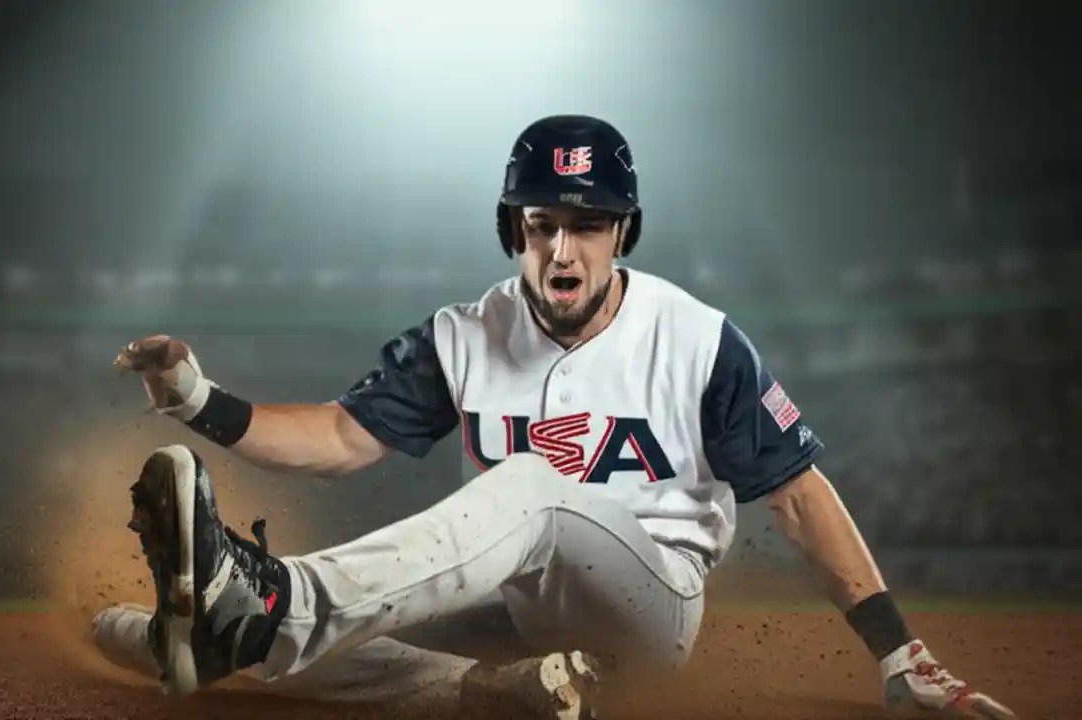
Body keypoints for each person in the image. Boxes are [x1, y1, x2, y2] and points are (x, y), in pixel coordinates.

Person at [91, 115, 1017, 719]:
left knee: (532, 484)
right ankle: (176, 635)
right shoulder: (463, 335)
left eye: (590, 225)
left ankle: (272, 603)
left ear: (624, 233)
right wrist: (195, 399)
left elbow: (799, 495)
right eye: (543, 225)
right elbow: (336, 437)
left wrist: (898, 652)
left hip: (650, 602)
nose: (563, 250)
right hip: (519, 613)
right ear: (515, 231)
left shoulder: (697, 338)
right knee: (344, 648)